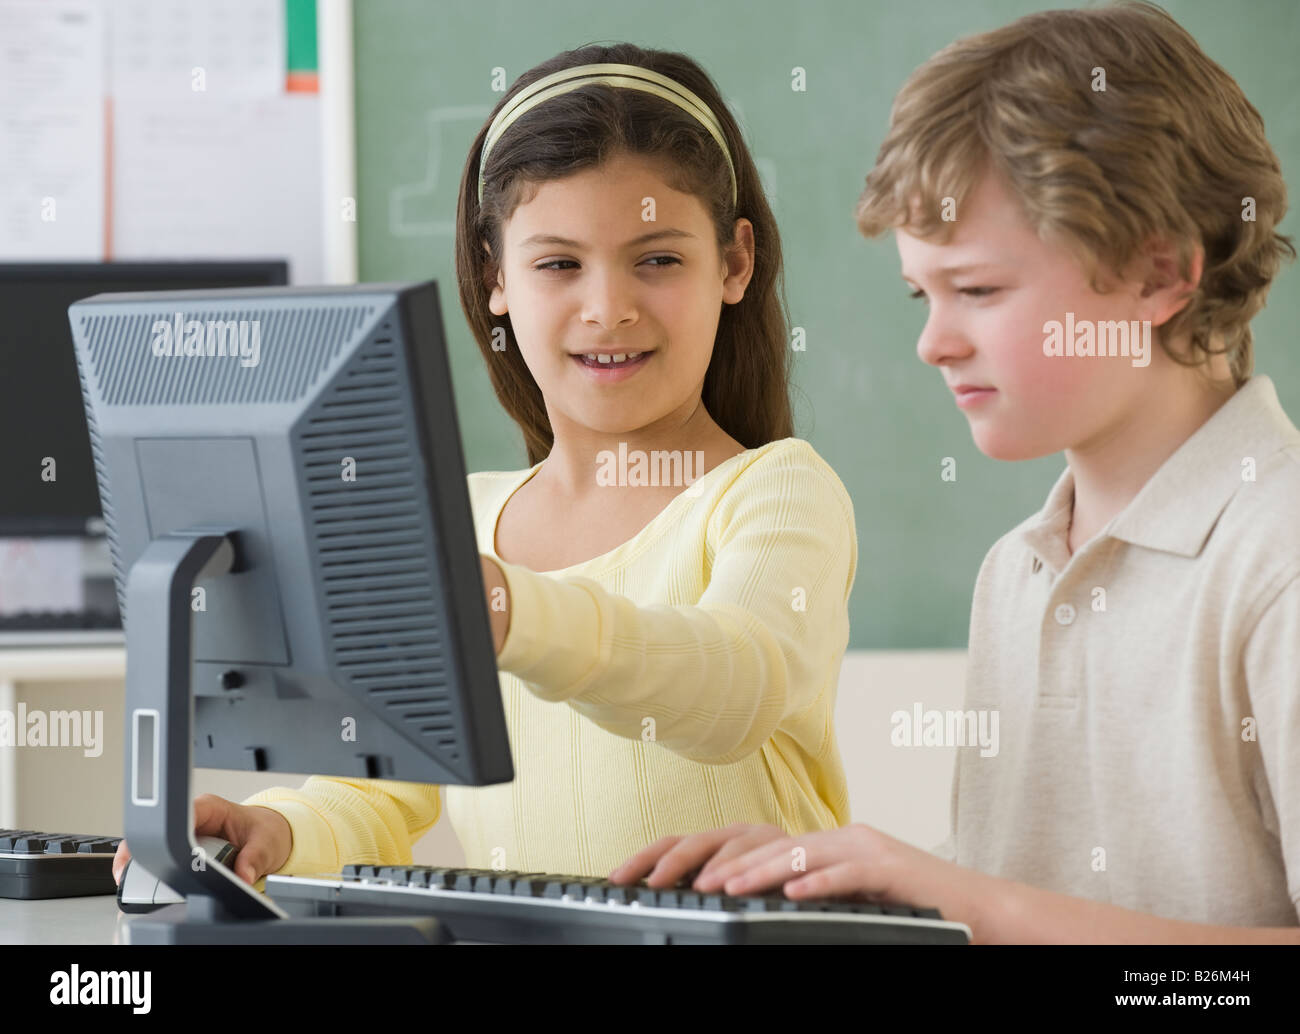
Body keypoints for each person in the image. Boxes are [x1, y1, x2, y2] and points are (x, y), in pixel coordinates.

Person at [611, 1, 1300, 944]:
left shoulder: (1279, 556)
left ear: (1160, 274)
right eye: (921, 295)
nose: (934, 343)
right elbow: (1042, 910)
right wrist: (865, 892)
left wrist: (972, 901)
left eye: (977, 290)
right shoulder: (1019, 571)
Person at [113, 43, 858, 889]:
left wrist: (509, 609)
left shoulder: (776, 491)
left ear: (734, 262)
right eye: (558, 264)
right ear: (493, 275)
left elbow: (736, 686)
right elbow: (386, 793)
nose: (608, 308)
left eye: (657, 258)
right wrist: (274, 829)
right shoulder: (461, 523)